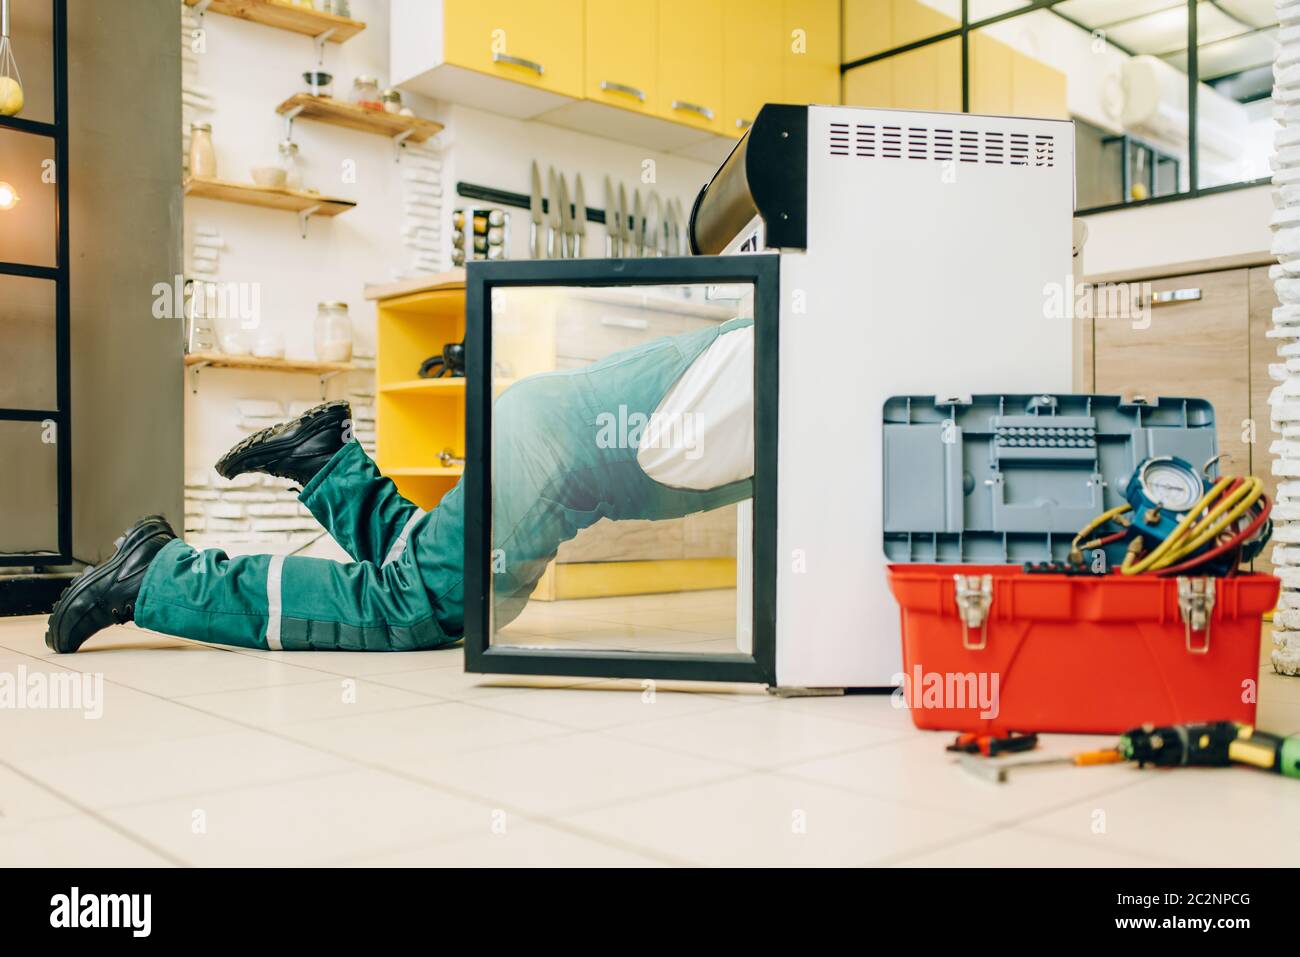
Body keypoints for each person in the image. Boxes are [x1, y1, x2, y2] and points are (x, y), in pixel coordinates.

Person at [46, 317, 755, 654]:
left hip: (545, 433)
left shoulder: (791, 333)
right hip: (551, 448)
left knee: (425, 570)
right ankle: (158, 577)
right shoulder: (799, 355)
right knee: (416, 604)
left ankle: (324, 459)